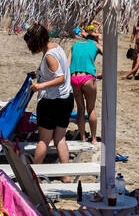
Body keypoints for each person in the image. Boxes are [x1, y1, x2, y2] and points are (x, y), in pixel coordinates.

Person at [23, 23, 73, 168]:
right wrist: (38, 74)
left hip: (51, 102)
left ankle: (33, 174)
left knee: (44, 140)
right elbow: (56, 72)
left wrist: (40, 86)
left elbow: (60, 78)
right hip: (66, 99)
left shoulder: (49, 56)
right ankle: (66, 175)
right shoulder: (56, 48)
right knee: (60, 138)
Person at [69, 27, 101, 143]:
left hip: (74, 78)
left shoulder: (75, 45)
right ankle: (93, 138)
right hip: (87, 77)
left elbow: (68, 64)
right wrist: (103, 74)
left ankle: (82, 137)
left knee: (80, 109)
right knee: (91, 108)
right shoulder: (96, 44)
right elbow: (109, 56)